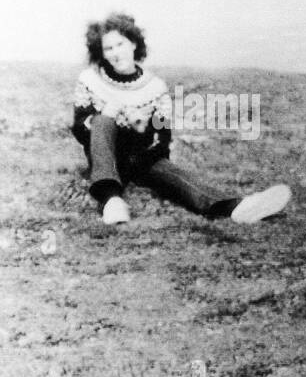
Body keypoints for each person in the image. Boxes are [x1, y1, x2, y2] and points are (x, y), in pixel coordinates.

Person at [73, 13, 291, 226]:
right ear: (101, 53)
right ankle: (111, 200)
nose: (115, 53)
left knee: (174, 175)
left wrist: (141, 130)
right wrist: (107, 115)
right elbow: (80, 129)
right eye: (108, 48)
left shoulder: (155, 87)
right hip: (106, 158)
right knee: (102, 122)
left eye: (120, 44)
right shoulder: (90, 80)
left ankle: (236, 207)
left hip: (143, 158)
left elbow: (162, 138)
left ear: (133, 44)